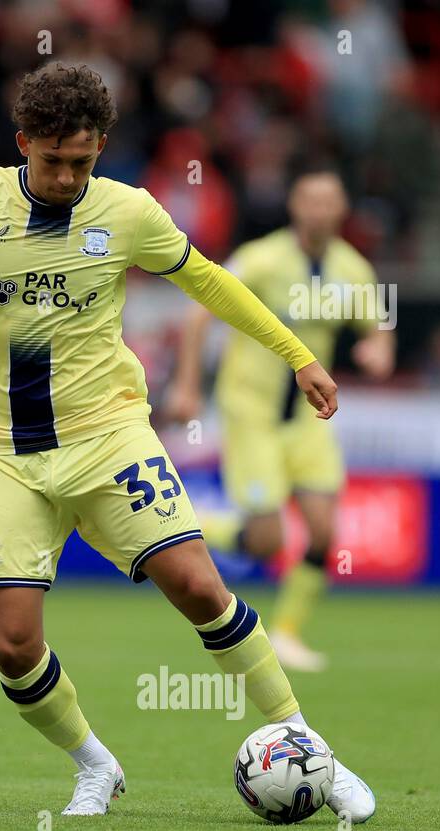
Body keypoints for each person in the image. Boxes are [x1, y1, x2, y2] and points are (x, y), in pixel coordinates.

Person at [0, 62, 375, 822]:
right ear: (22, 141)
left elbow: (211, 282)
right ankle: (95, 765)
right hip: (4, 452)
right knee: (12, 645)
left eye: (83, 162)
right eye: (52, 160)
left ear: (103, 148)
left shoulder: (129, 212)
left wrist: (298, 354)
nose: (66, 176)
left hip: (109, 436)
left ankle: (307, 742)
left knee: (198, 586)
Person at [165, 168, 395, 671]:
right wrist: (186, 384)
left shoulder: (352, 268)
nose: (319, 210)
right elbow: (201, 310)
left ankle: (287, 633)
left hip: (310, 418)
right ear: (295, 206)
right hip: (252, 412)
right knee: (268, 541)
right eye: (310, 200)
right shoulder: (262, 258)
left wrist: (379, 349)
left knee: (322, 531)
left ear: (341, 210)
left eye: (329, 200)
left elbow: (378, 323)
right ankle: (197, 526)